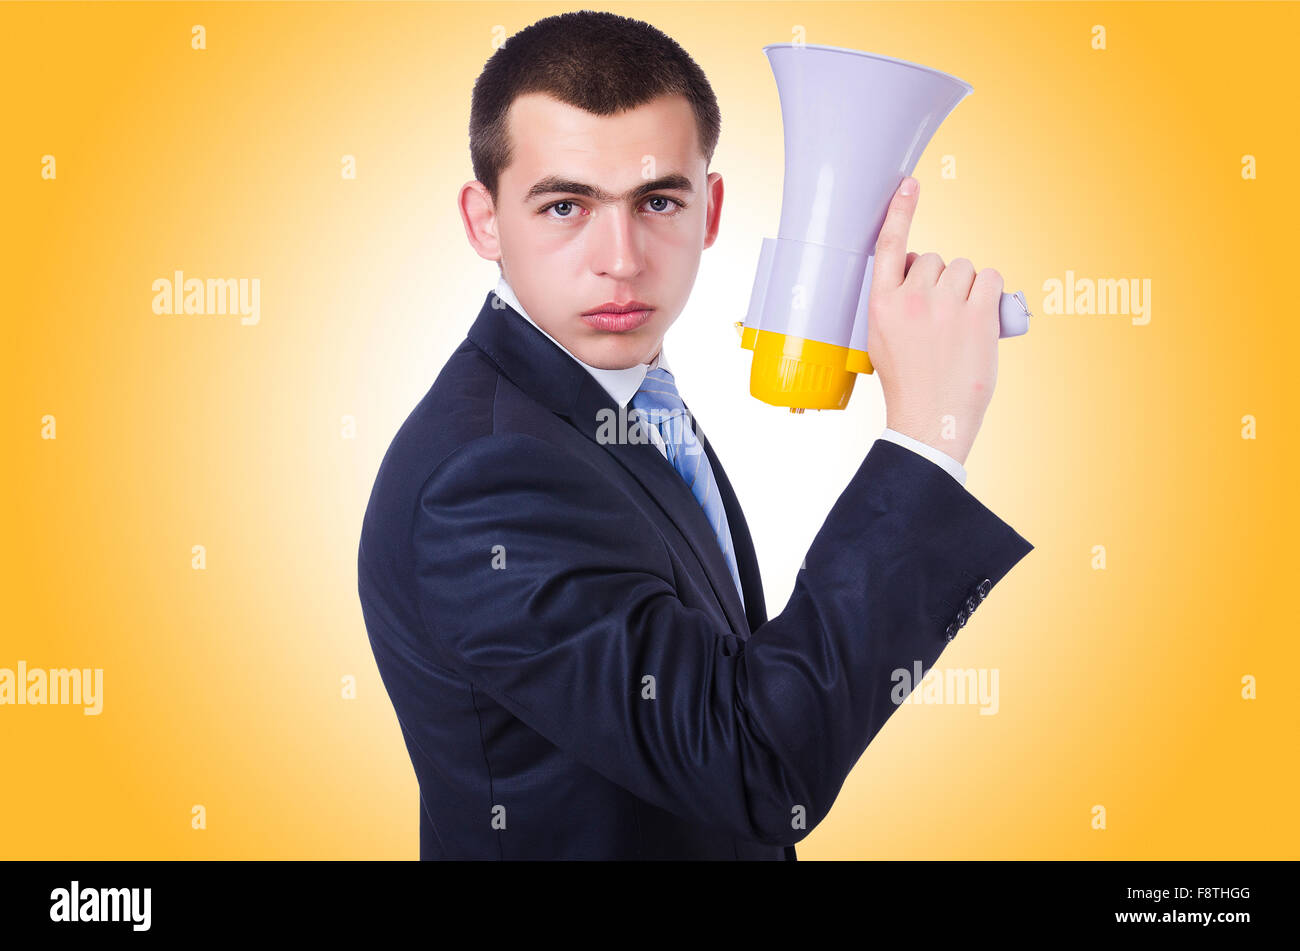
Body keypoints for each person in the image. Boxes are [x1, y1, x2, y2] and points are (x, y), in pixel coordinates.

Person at [357, 10, 1032, 860]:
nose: (623, 259)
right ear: (484, 220)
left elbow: (714, 687)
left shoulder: (620, 402)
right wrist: (926, 441)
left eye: (658, 201)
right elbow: (754, 761)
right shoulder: (485, 480)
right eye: (566, 204)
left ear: (708, 209)